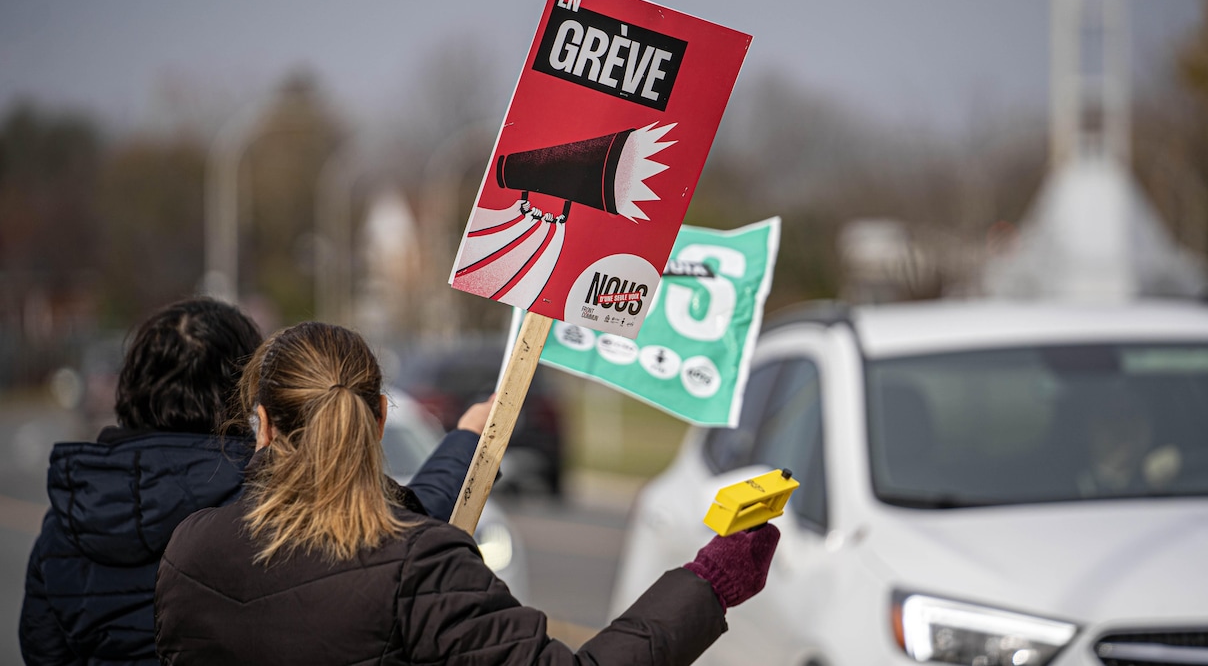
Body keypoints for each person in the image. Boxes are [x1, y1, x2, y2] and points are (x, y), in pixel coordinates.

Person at [154, 321, 780, 665]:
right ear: (377, 420)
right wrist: (709, 582)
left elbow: (366, 540)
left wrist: (462, 445)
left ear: (261, 423)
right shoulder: (418, 568)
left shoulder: (188, 554)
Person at [20, 298, 481, 666]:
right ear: (250, 393)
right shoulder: (264, 499)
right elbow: (392, 549)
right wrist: (467, 442)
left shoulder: (67, 520)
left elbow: (43, 649)